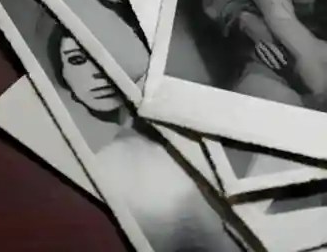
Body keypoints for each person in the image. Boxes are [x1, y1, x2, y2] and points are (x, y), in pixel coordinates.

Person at [45, 25, 244, 251]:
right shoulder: (112, 160)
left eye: (105, 53)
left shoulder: (125, 155)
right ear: (64, 78)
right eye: (77, 60)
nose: (97, 71)